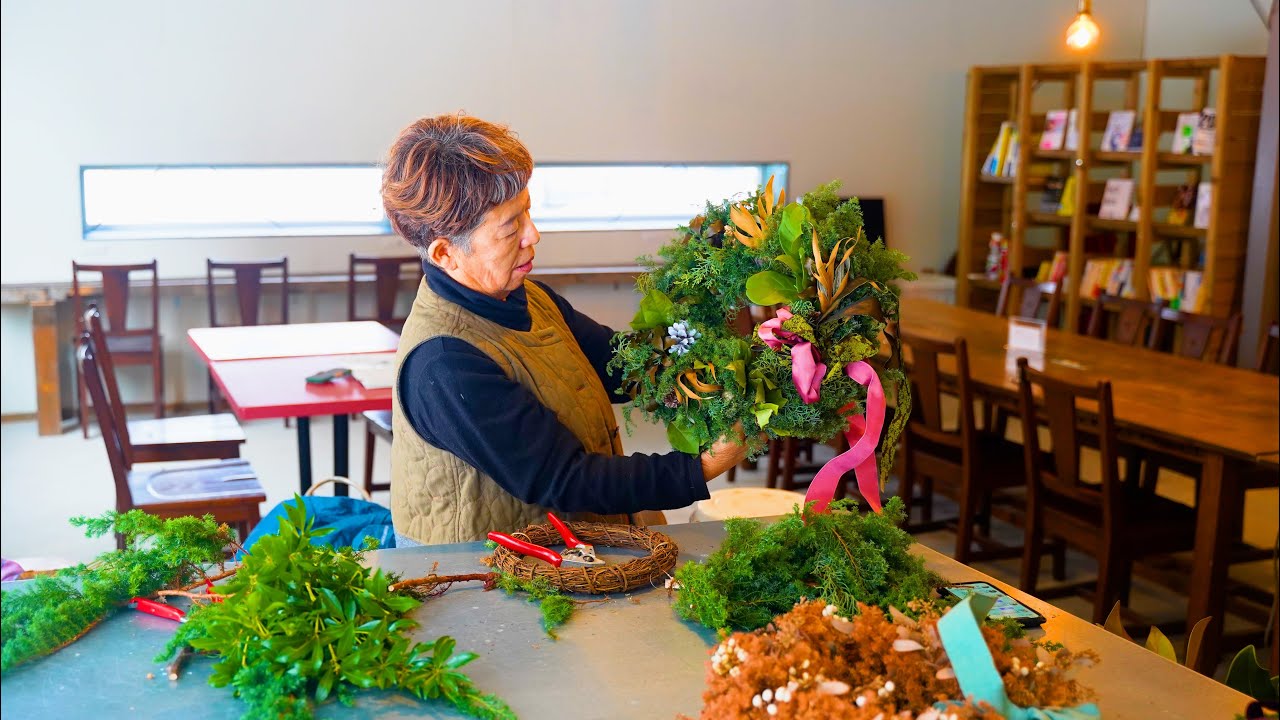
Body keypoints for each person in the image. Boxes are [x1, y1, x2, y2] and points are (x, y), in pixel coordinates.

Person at [381, 114, 748, 545]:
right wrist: (701, 465)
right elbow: (566, 478)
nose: (533, 235)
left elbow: (619, 364)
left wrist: (725, 354)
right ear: (446, 253)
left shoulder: (530, 296)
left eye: (528, 215)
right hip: (481, 574)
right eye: (510, 227)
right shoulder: (443, 362)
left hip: (572, 543)